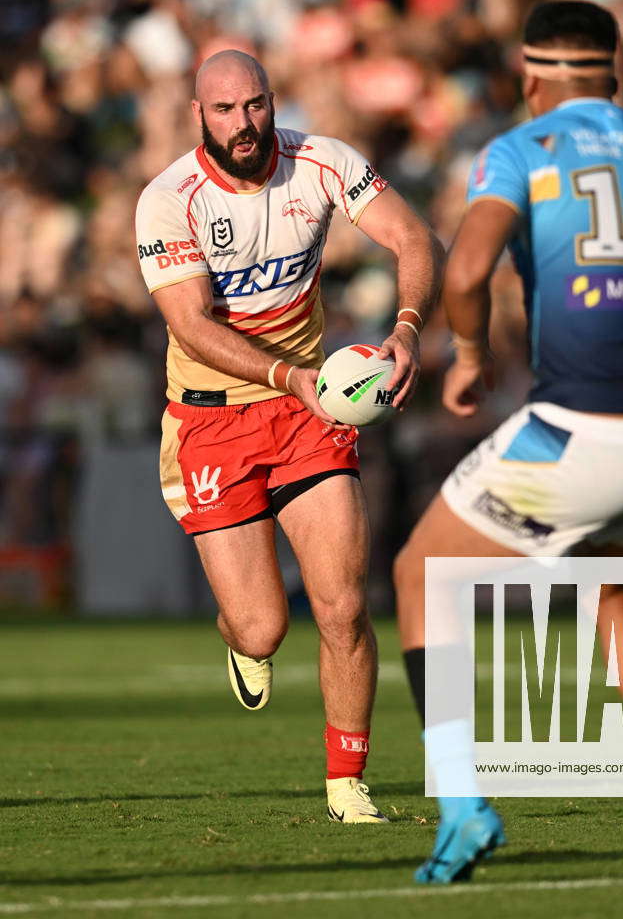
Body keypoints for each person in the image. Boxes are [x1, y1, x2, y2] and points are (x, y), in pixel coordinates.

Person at [393, 0, 623, 881]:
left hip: (578, 436)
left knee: (420, 573)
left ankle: (462, 807)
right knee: (615, 588)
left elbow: (464, 267)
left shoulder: (521, 150)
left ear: (529, 80)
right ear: (615, 72)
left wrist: (467, 355)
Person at [135, 50, 443, 823]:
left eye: (257, 105)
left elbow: (412, 239)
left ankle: (346, 783)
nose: (245, 124)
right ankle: (241, 637)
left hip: (310, 413)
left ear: (273, 101)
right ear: (198, 115)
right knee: (264, 624)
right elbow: (192, 325)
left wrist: (405, 331)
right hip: (212, 419)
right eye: (225, 110)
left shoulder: (323, 161)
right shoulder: (168, 200)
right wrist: (288, 377)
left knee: (342, 606)